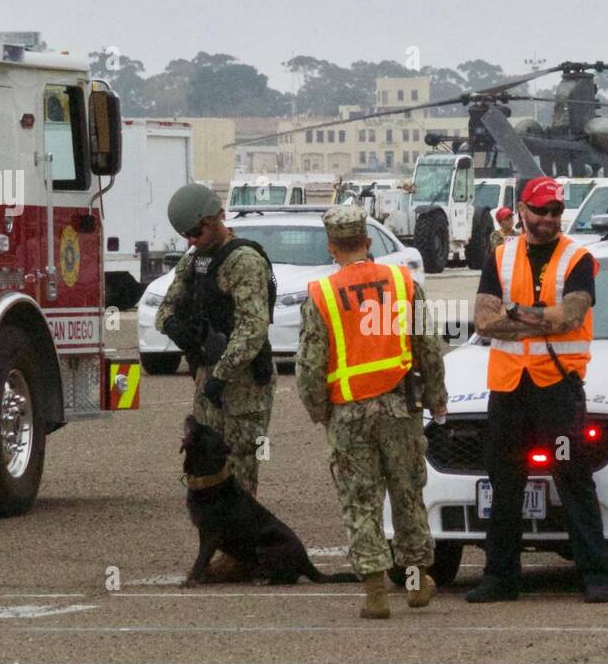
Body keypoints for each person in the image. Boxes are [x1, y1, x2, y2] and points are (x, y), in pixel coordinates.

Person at [296, 206, 448, 619]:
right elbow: (428, 346)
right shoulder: (403, 283)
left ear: (332, 247)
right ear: (368, 241)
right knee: (407, 493)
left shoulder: (321, 294)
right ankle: (416, 585)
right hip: (400, 408)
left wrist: (320, 412)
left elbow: (309, 366)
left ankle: (375, 592)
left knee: (360, 501)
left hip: (348, 412)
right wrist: (437, 397)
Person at [467, 177, 608, 604]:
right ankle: (500, 578)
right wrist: (538, 317)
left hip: (558, 390)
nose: (549, 219)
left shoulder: (578, 258)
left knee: (573, 477)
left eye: (555, 212)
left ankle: (596, 575)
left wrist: (514, 311)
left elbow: (571, 316)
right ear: (523, 210)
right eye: (540, 211)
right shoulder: (500, 255)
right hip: (509, 388)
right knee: (505, 481)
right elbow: (483, 321)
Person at [155, 183, 277, 497]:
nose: (192, 241)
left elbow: (252, 331)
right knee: (207, 467)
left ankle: (240, 545)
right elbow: (164, 308)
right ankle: (221, 540)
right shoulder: (194, 261)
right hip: (209, 378)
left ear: (215, 219)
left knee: (239, 469)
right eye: (187, 236)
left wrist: (220, 376)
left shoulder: (244, 261)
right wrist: (174, 327)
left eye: (197, 232)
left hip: (243, 383)